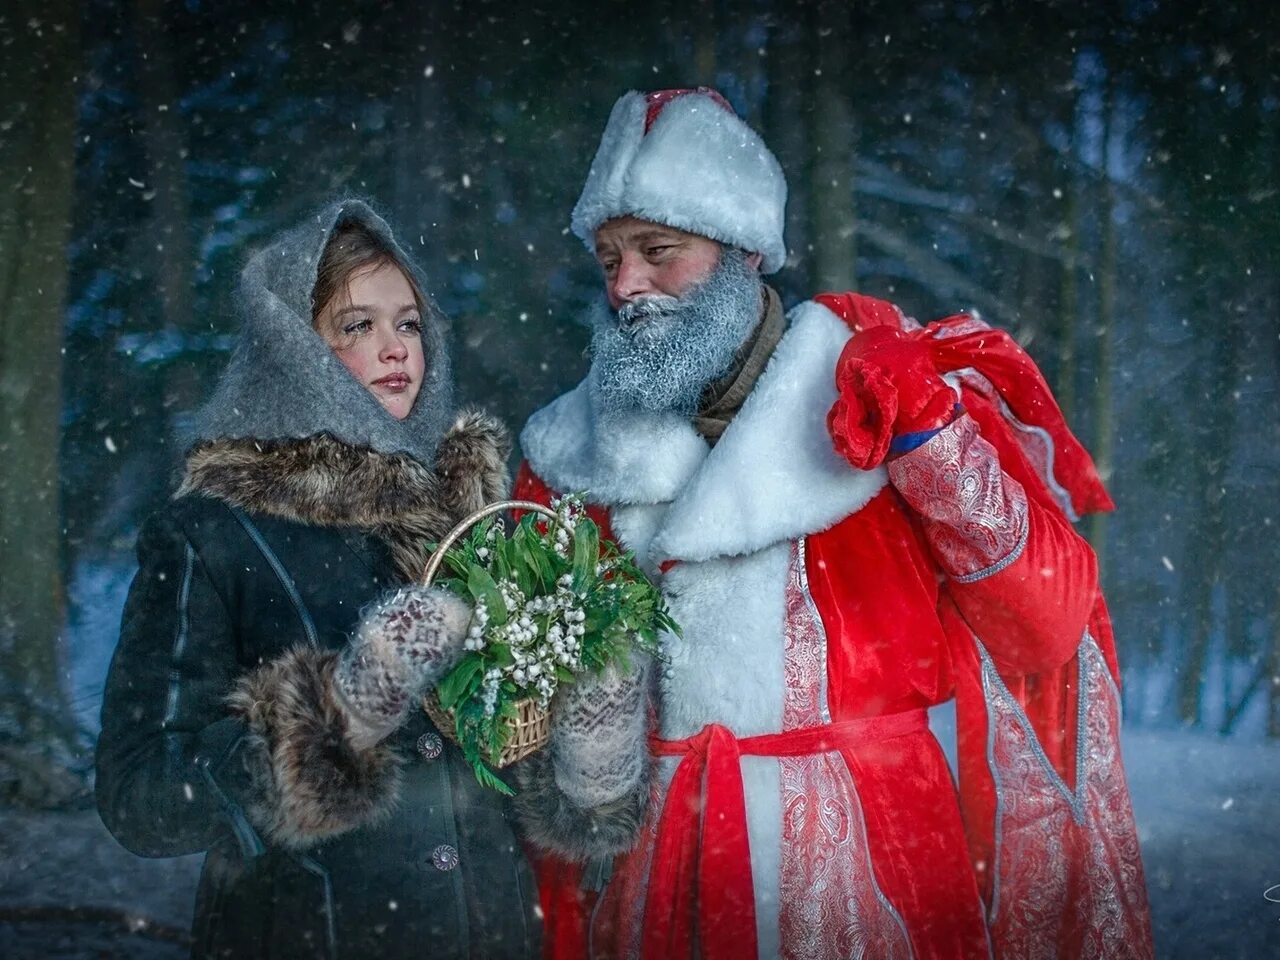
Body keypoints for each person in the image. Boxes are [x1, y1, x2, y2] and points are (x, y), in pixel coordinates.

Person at [511, 88, 1154, 959]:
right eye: (609, 258)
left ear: (742, 251)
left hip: (874, 873)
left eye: (659, 251)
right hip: (659, 877)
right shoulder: (567, 452)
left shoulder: (884, 391)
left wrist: (934, 438)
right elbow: (526, 701)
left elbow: (1043, 621)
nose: (627, 286)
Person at [95, 199, 541, 959]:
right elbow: (140, 793)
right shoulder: (211, 533)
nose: (396, 348)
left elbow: (511, 771)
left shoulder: (475, 519)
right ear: (292, 350)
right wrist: (334, 720)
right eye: (357, 326)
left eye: (407, 323)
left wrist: (583, 742)